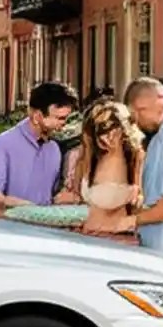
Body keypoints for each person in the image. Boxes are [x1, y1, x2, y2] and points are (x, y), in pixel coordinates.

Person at [85, 77, 163, 268]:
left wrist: (127, 222)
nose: (135, 121)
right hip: (162, 258)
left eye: (138, 112)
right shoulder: (161, 138)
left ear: (159, 101)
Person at [0, 81, 80, 217]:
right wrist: (32, 209)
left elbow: (50, 200)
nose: (63, 124)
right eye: (59, 118)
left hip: (47, 233)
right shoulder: (2, 145)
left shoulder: (54, 149)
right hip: (9, 233)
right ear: (37, 116)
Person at [61, 99, 146, 244]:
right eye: (99, 129)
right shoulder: (87, 156)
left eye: (112, 127)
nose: (107, 136)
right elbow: (78, 198)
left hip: (120, 240)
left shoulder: (135, 157)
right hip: (85, 237)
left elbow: (141, 201)